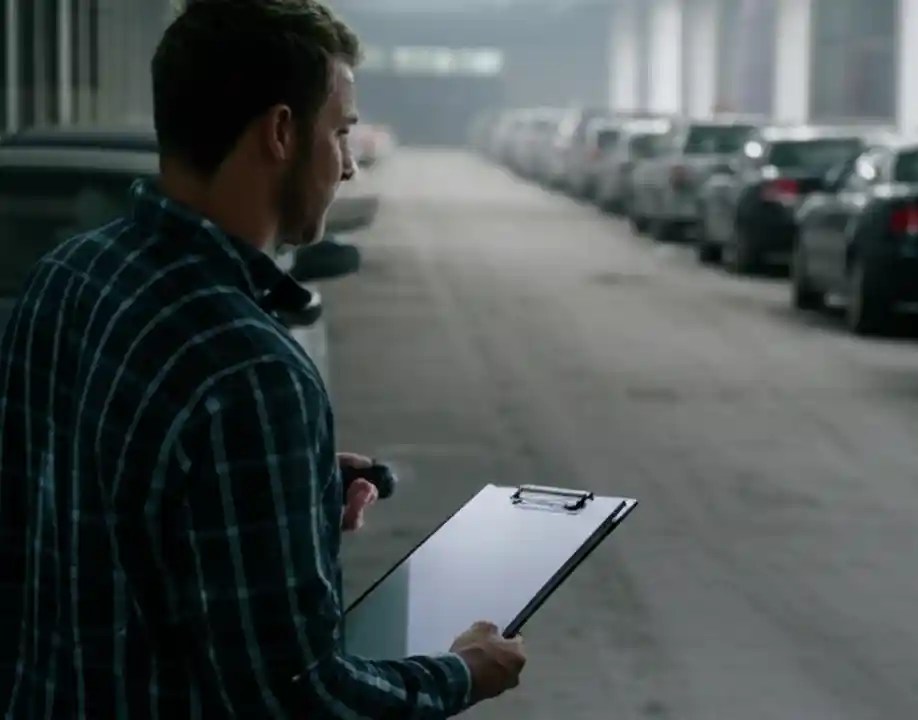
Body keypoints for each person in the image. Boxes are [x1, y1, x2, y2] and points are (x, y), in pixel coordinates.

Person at [0, 0, 525, 717]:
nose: (348, 166)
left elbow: (67, 514)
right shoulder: (251, 369)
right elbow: (297, 699)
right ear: (280, 132)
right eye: (340, 132)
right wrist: (461, 675)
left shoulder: (68, 275)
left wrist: (282, 489)